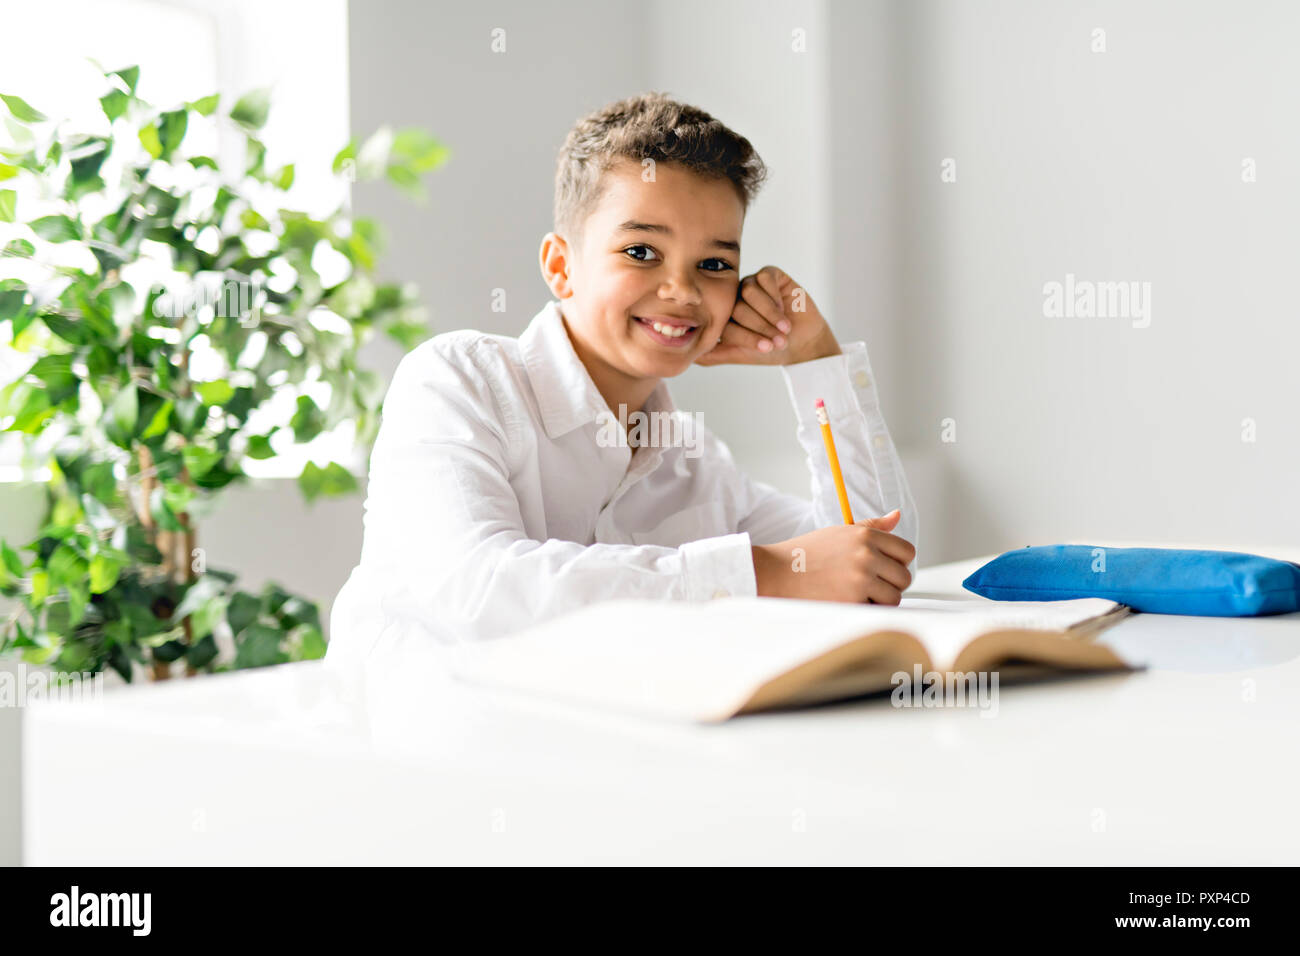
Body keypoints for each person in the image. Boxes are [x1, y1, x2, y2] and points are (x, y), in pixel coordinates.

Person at [327, 92, 917, 663]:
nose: (682, 292)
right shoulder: (458, 381)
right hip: (406, 749)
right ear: (562, 266)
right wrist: (757, 573)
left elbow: (878, 556)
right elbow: (479, 592)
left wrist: (814, 358)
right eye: (641, 252)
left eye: (714, 265)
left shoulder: (695, 457)